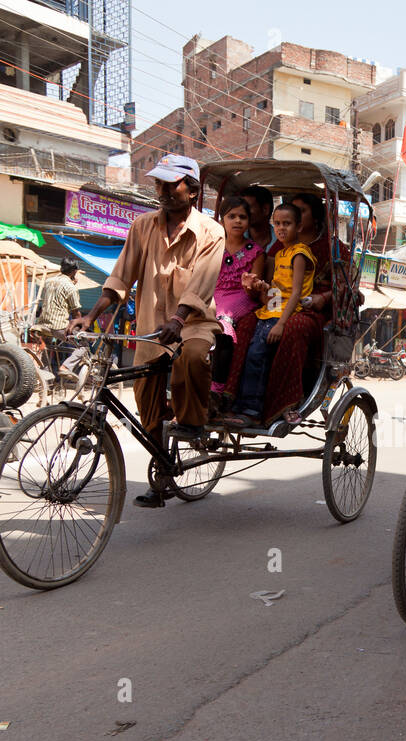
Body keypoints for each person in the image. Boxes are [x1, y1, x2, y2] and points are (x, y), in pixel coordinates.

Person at [67, 154, 224, 507]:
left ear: (193, 191)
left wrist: (180, 319)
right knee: (146, 400)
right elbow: (121, 276)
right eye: (159, 184)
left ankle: (192, 422)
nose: (163, 191)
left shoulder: (212, 232)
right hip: (152, 328)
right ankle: (163, 473)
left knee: (194, 357)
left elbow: (200, 284)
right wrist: (91, 317)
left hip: (192, 323)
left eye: (172, 184)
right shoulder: (142, 227)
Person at [221, 203, 313, 426]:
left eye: (287, 224)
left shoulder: (299, 254)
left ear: (299, 226)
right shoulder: (280, 253)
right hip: (271, 310)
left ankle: (252, 410)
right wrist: (261, 287)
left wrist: (281, 324)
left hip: (284, 314)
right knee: (248, 352)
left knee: (257, 355)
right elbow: (276, 292)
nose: (281, 229)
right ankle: (236, 404)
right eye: (278, 224)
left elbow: (296, 293)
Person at [207, 197, 267, 394]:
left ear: (249, 221)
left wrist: (249, 285)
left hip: (240, 296)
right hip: (214, 294)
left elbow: (255, 288)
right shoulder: (212, 246)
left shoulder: (256, 251)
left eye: (242, 217)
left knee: (223, 323)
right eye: (231, 216)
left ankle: (218, 386)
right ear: (222, 220)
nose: (237, 221)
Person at [32, 257, 84, 378]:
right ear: (74, 271)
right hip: (58, 326)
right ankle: (66, 367)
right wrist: (82, 328)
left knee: (47, 348)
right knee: (83, 345)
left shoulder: (49, 281)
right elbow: (76, 314)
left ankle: (46, 380)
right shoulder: (71, 287)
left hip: (41, 324)